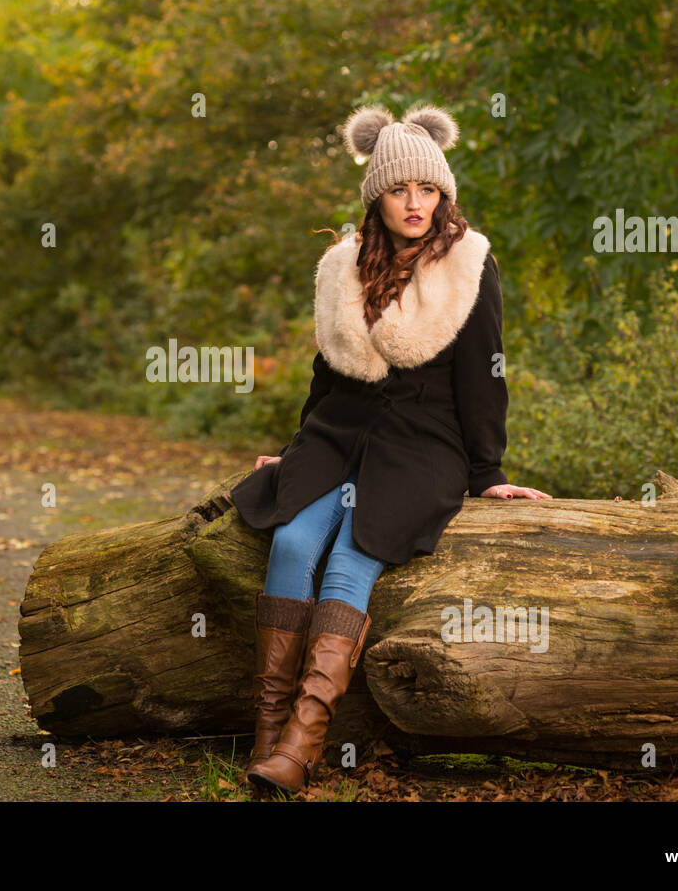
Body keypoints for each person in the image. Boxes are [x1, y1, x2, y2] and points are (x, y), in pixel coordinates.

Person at [231, 101, 552, 796]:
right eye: (402, 190)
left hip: (421, 445)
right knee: (289, 543)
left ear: (444, 194)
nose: (417, 203)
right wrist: (296, 450)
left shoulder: (470, 265)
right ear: (376, 197)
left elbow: (483, 377)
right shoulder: (342, 265)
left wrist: (487, 471)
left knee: (350, 559)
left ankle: (301, 742)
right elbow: (328, 372)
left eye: (429, 189)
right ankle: (264, 733)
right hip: (337, 435)